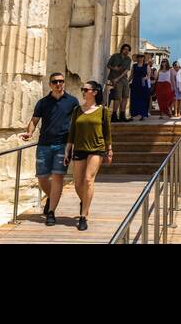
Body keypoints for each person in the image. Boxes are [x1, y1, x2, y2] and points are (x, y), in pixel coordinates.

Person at [20, 72, 80, 227]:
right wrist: (29, 132)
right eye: (55, 82)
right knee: (41, 178)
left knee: (58, 177)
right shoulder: (43, 102)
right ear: (50, 84)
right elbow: (34, 120)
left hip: (62, 144)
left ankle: (51, 212)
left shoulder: (73, 101)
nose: (58, 84)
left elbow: (77, 122)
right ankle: (51, 197)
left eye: (61, 81)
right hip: (44, 144)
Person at [64, 80, 113, 232]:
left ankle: (83, 216)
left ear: (95, 92)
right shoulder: (77, 110)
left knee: (88, 179)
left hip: (96, 148)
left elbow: (107, 132)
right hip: (79, 148)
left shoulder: (103, 110)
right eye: (82, 89)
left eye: (86, 89)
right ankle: (85, 201)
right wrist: (68, 149)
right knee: (78, 183)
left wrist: (109, 150)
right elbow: (72, 131)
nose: (83, 92)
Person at [106, 43, 133, 122]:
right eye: (125, 49)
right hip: (114, 77)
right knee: (117, 97)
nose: (126, 51)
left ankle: (122, 115)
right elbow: (108, 65)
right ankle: (114, 115)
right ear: (122, 49)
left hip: (122, 78)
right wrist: (114, 68)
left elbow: (126, 70)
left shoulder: (128, 59)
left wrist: (118, 78)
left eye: (128, 50)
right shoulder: (115, 56)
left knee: (125, 96)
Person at [129, 53, 151, 121]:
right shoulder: (134, 66)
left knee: (143, 99)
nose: (140, 58)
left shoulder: (146, 66)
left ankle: (143, 115)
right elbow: (131, 75)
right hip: (135, 83)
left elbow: (149, 75)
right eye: (139, 57)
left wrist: (145, 78)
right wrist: (127, 81)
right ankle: (132, 115)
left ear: (143, 58)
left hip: (143, 83)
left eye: (141, 57)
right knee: (134, 99)